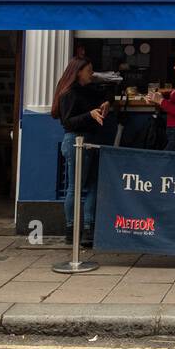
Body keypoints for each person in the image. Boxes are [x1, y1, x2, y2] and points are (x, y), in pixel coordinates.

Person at [51, 56, 115, 246]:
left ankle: (89, 229)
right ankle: (71, 229)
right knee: (76, 187)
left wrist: (106, 104)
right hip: (76, 140)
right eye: (89, 70)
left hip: (92, 140)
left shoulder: (88, 90)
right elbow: (68, 122)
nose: (92, 73)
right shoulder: (69, 93)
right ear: (78, 72)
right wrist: (90, 114)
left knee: (94, 184)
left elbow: (105, 96)